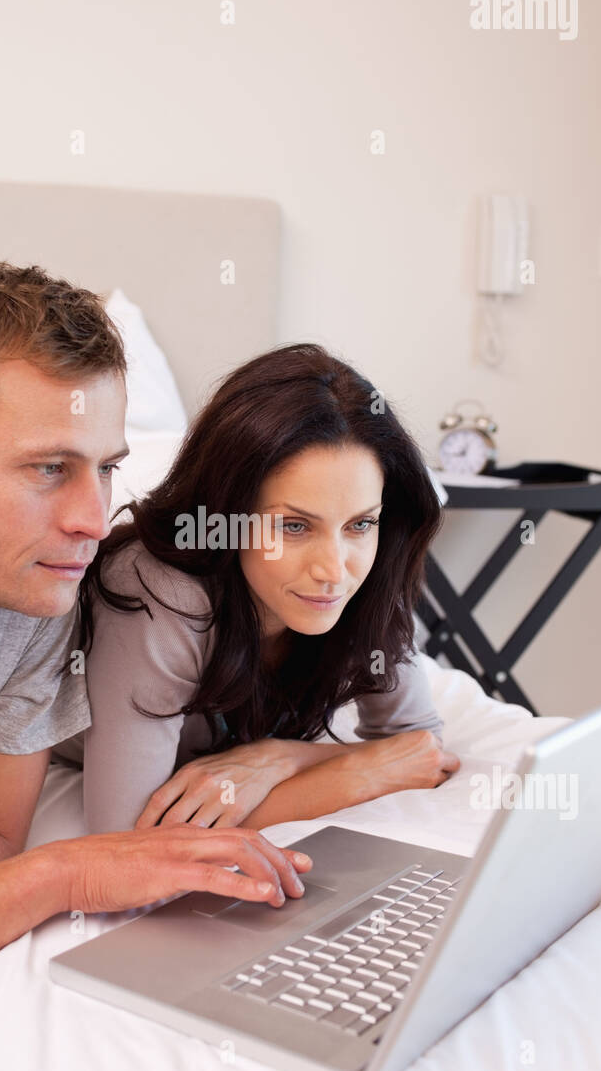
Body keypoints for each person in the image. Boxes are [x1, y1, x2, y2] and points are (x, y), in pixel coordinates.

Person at [0, 261, 311, 1038]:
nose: (94, 522)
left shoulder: (32, 602)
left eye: (105, 470)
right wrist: (59, 874)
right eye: (47, 469)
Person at [55, 344, 460, 832]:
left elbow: (419, 749)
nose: (333, 570)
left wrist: (279, 760)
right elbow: (129, 835)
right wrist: (354, 772)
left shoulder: (367, 572)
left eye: (360, 524)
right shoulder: (157, 592)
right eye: (293, 526)